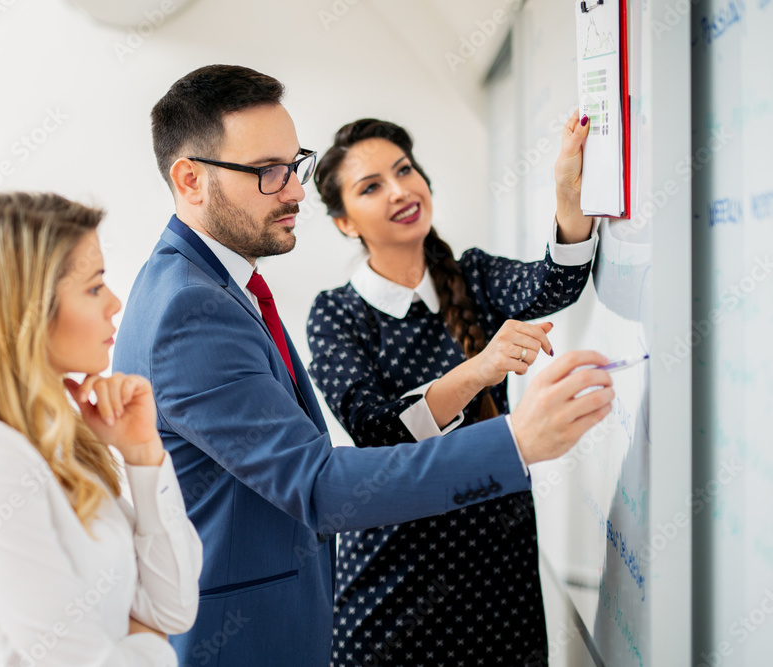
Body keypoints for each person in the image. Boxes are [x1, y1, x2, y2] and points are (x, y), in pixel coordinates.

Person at [113, 64, 613, 667]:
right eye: (268, 172)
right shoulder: (194, 306)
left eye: (291, 165)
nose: (295, 190)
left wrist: (569, 197)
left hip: (479, 582)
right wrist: (517, 440)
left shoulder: (213, 285)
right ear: (190, 180)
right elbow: (321, 481)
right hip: (281, 627)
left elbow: (552, 283)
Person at [307, 117, 597, 666]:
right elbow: (375, 429)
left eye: (404, 170)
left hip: (499, 576)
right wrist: (479, 370)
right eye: (371, 187)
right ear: (345, 222)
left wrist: (567, 198)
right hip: (396, 583)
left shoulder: (474, 276)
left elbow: (556, 282)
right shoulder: (337, 313)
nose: (399, 190)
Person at [0, 192, 202, 666]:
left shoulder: (53, 437)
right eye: (94, 288)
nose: (115, 303)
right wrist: (150, 643)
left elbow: (172, 607)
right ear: (24, 309)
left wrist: (143, 454)